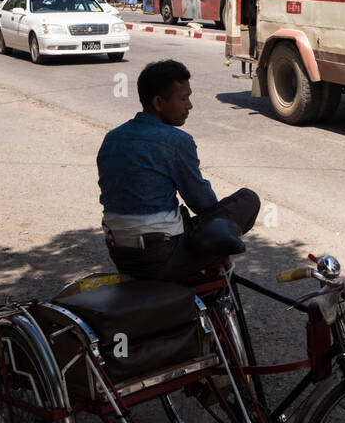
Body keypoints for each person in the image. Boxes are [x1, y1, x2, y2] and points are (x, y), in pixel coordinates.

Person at [97, 59, 260, 284]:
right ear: (158, 102)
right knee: (247, 199)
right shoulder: (175, 141)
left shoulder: (111, 138)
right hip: (161, 257)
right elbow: (203, 204)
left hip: (121, 254)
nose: (190, 105)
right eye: (183, 98)